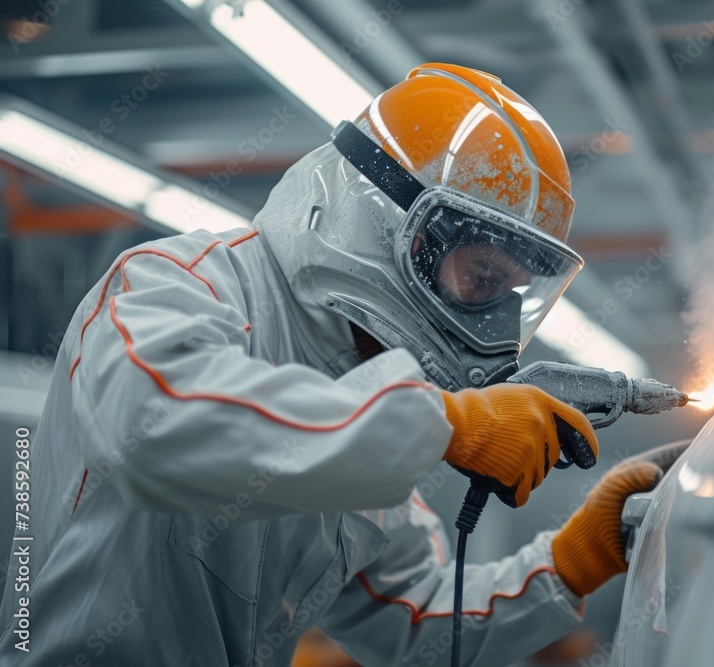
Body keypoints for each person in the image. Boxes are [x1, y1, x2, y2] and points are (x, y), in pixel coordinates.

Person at [0, 63, 662, 665]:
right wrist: (445, 423)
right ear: (387, 223)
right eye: (483, 279)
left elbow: (418, 618)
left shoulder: (362, 402)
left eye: (507, 294)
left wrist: (577, 557)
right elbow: (154, 430)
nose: (492, 323)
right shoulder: (173, 285)